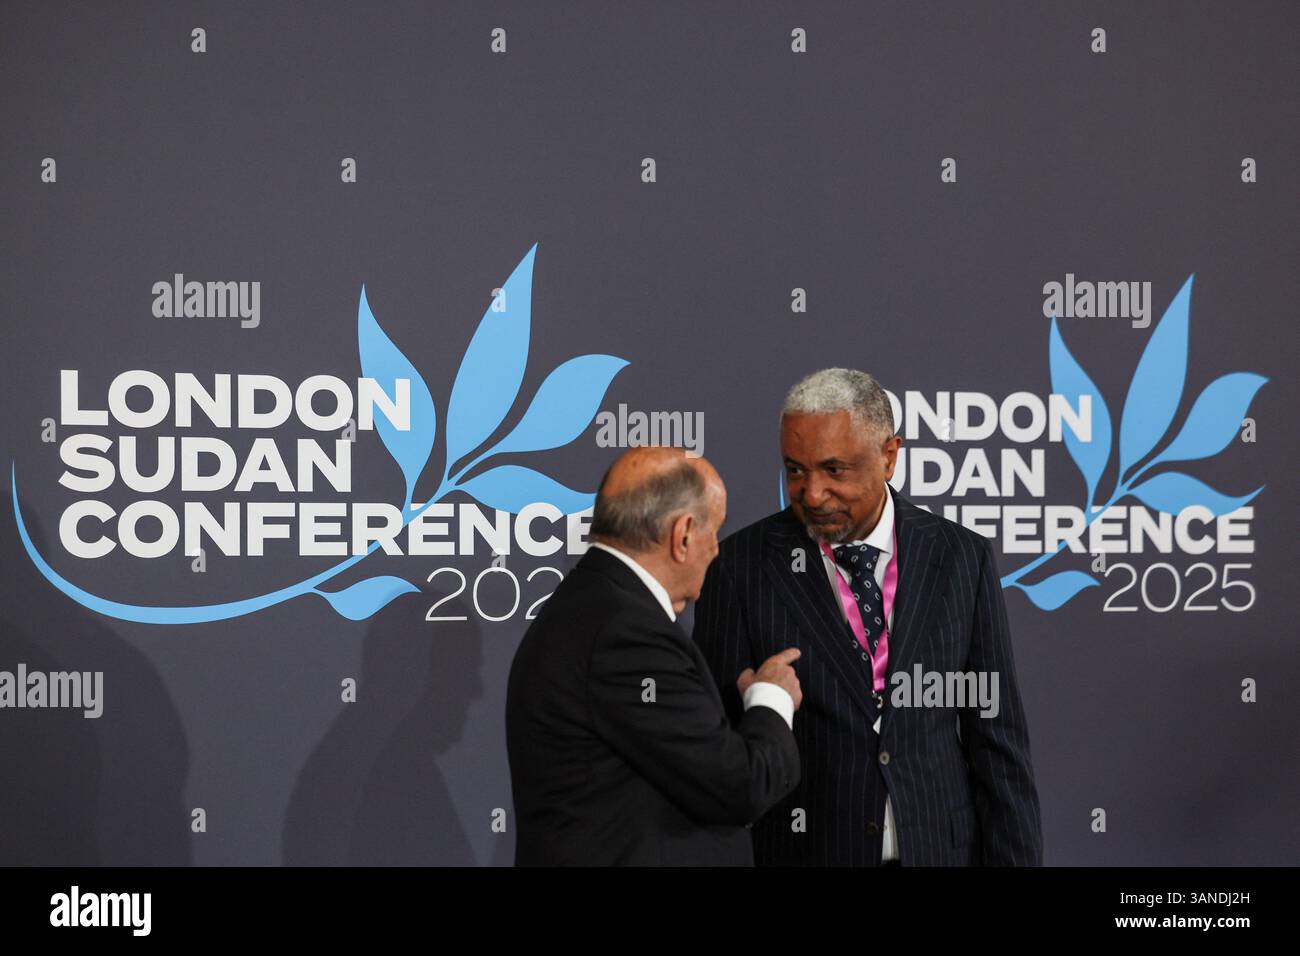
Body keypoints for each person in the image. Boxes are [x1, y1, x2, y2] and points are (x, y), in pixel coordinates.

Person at [693, 368, 1043, 866]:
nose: (812, 494)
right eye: (795, 470)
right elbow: (717, 756)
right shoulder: (738, 567)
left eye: (835, 470)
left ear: (889, 456)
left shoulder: (961, 558)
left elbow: (998, 743)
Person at [506, 446, 803, 865]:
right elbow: (738, 787)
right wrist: (771, 698)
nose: (716, 550)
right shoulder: (627, 635)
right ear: (682, 535)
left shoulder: (592, 605)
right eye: (713, 531)